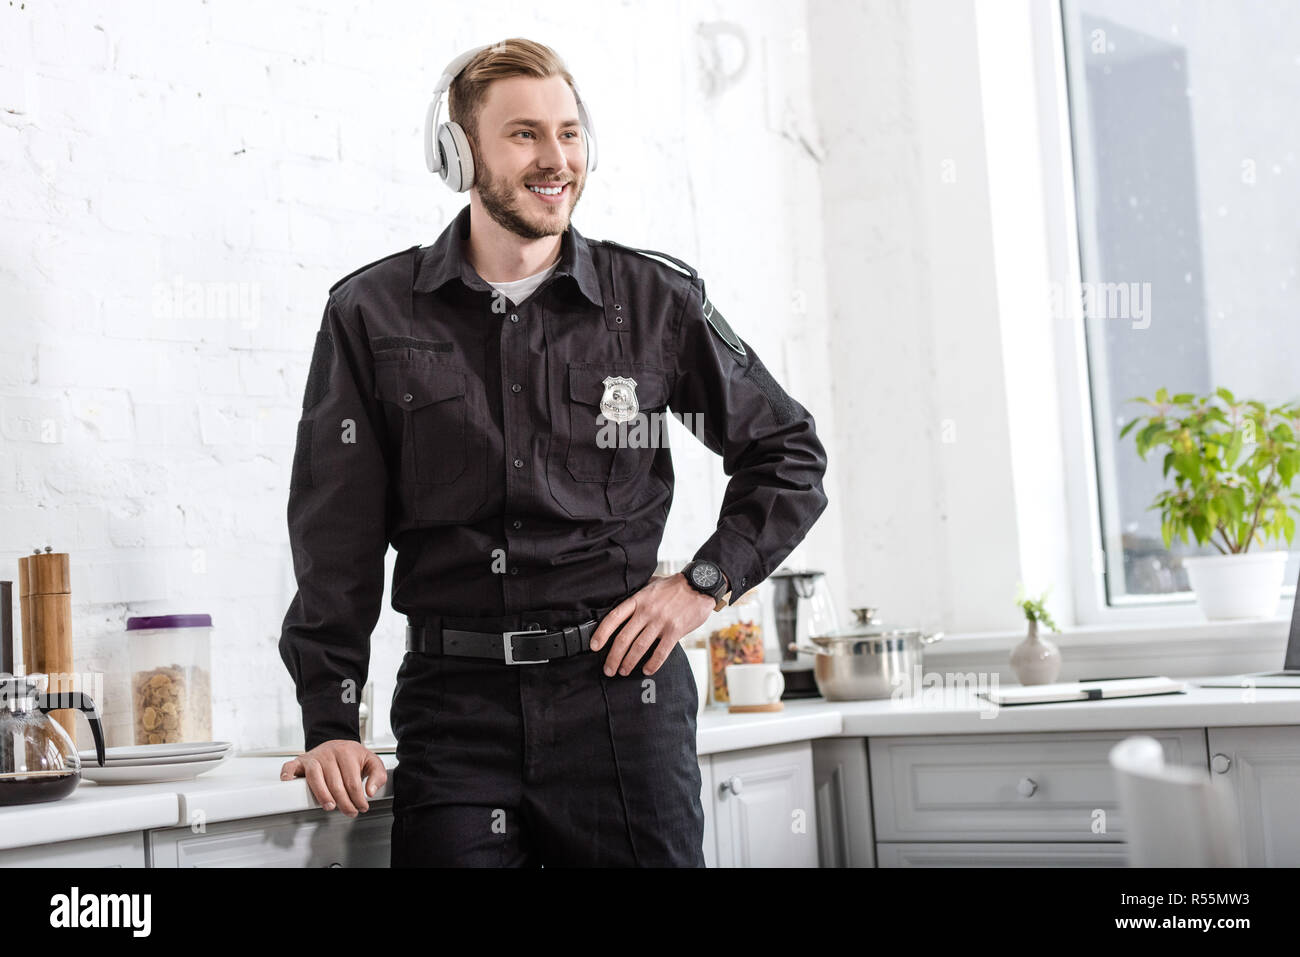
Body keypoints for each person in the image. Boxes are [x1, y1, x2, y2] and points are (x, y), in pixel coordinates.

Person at [276, 37, 829, 867]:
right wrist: (329, 722)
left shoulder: (653, 302)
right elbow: (336, 536)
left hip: (620, 707)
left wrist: (701, 585)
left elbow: (788, 452)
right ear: (459, 154)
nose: (556, 159)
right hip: (452, 715)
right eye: (525, 134)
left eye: (569, 133)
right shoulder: (370, 314)